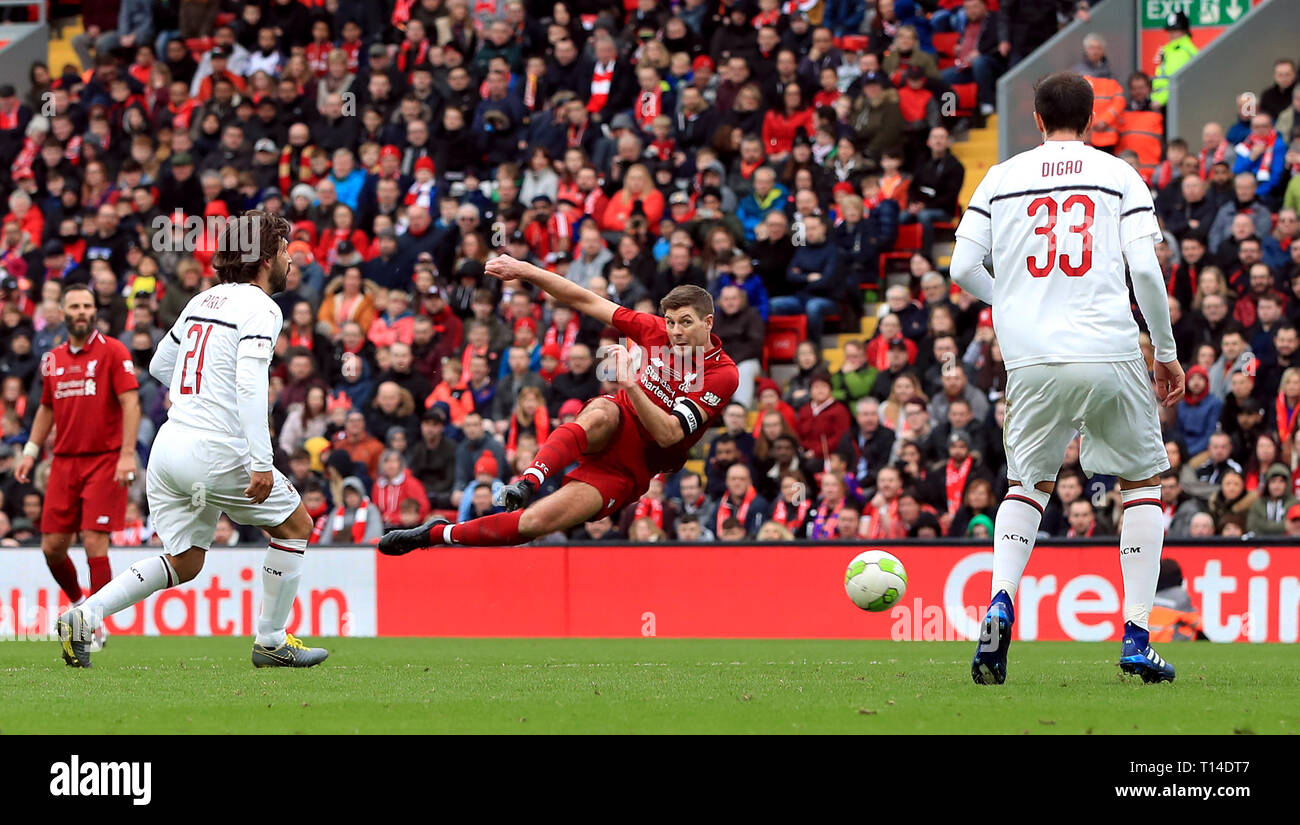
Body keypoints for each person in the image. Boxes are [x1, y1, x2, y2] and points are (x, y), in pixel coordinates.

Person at [951, 73, 1183, 686]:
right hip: (1109, 350)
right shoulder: (1118, 174)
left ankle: (1000, 600)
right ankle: (1137, 634)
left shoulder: (1000, 177)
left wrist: (1015, 305)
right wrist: (1165, 350)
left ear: (1035, 117)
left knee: (1027, 485)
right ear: (1093, 118)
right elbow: (1147, 273)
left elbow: (960, 266)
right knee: (1140, 484)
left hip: (1032, 359)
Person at [55, 211, 327, 669]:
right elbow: (249, 385)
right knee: (296, 527)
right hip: (213, 448)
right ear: (264, 258)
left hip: (169, 447)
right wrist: (262, 460)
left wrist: (195, 394)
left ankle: (85, 615)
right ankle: (272, 640)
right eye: (285, 252)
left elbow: (162, 365)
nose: (290, 260)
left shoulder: (203, 299)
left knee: (185, 561)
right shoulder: (262, 307)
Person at [379, 255, 739, 552]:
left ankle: (434, 534)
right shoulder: (654, 330)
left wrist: (630, 382)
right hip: (616, 420)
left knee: (533, 524)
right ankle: (530, 479)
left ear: (708, 322)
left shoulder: (722, 374)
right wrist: (525, 270)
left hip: (631, 468)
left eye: (686, 323)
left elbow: (669, 434)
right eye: (672, 322)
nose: (675, 332)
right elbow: (585, 299)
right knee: (601, 410)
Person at [15, 285, 142, 655]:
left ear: (94, 311)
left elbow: (130, 402)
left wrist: (127, 454)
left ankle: (93, 621)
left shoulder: (113, 351)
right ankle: (78, 603)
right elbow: (46, 409)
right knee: (52, 547)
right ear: (63, 312)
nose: (82, 311)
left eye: (87, 305)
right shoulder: (52, 358)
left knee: (92, 540)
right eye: (75, 306)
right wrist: (31, 450)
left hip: (104, 459)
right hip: (64, 462)